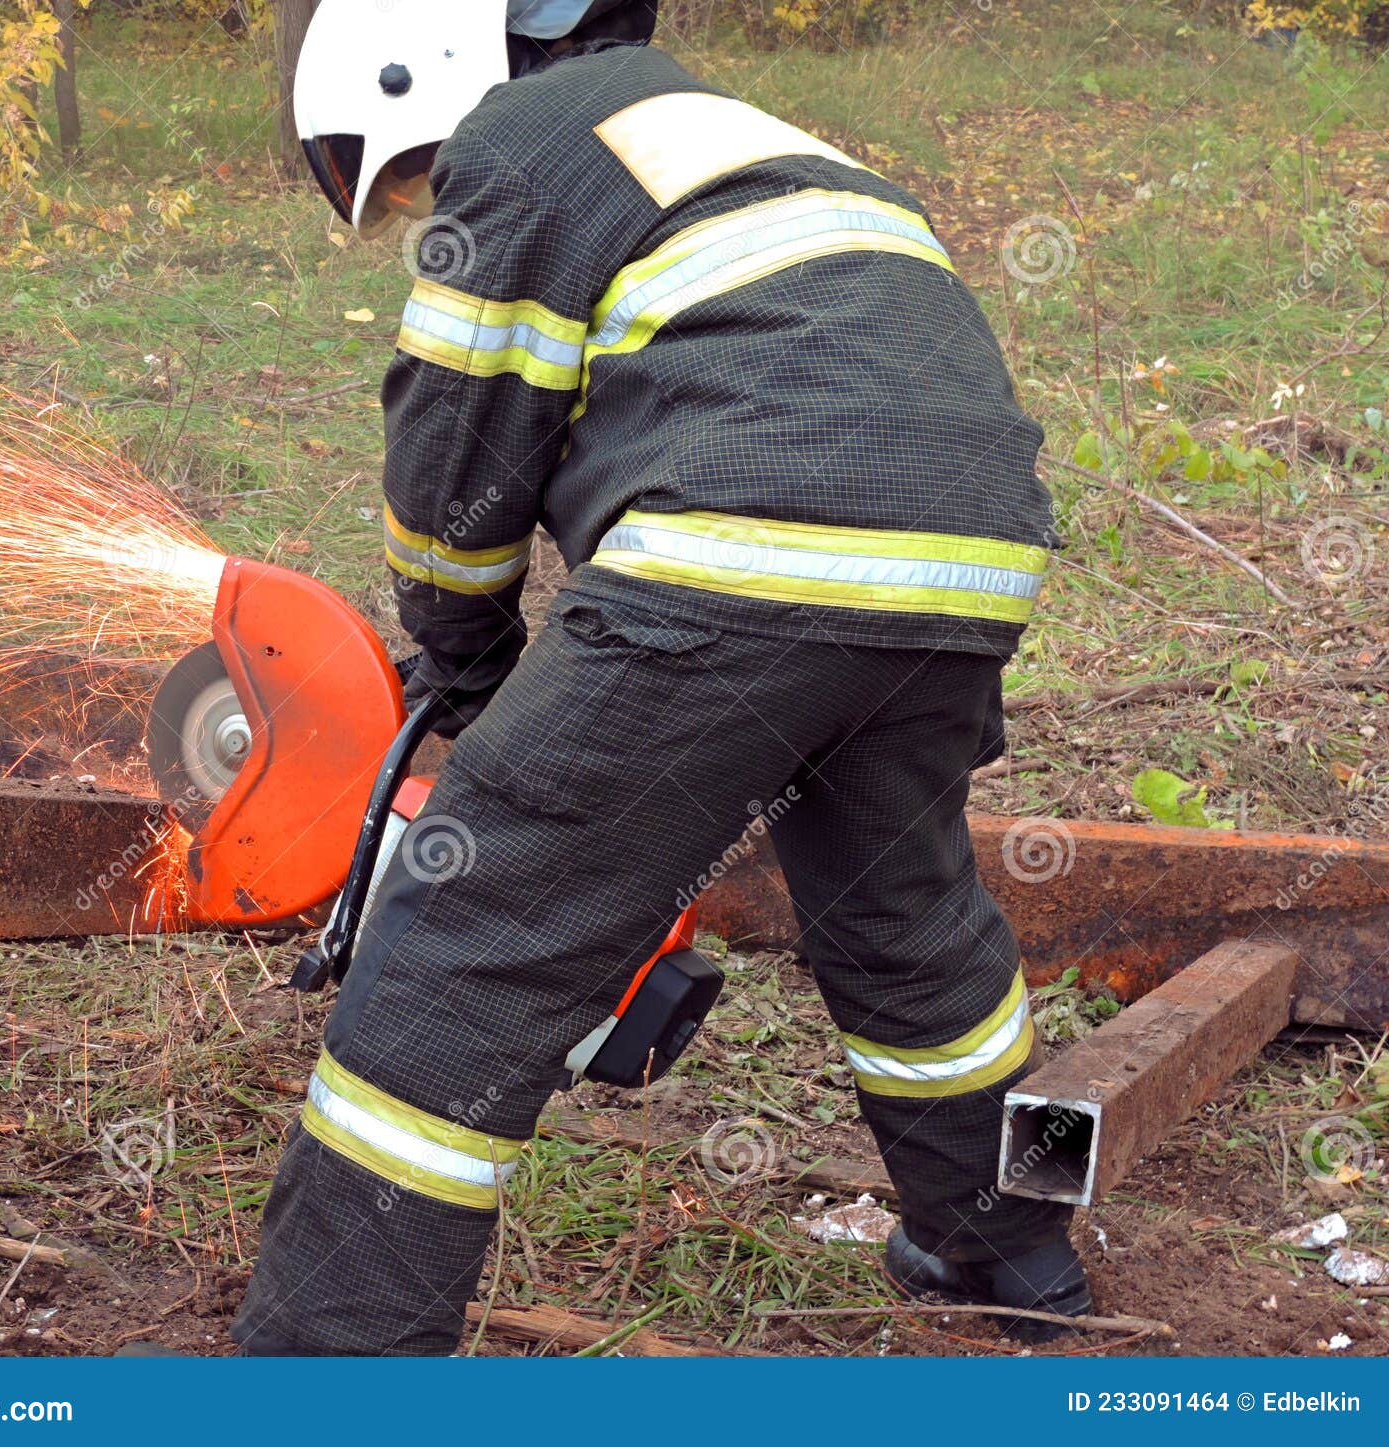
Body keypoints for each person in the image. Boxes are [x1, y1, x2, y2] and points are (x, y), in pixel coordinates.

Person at [232, 0, 1085, 1355]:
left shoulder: (516, 139)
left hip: (748, 554)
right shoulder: (752, 144)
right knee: (920, 920)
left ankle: (329, 1360)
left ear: (409, 69)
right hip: (971, 556)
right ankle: (1028, 1242)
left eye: (404, 186)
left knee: (467, 941)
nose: (419, 209)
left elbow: (454, 445)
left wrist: (465, 661)